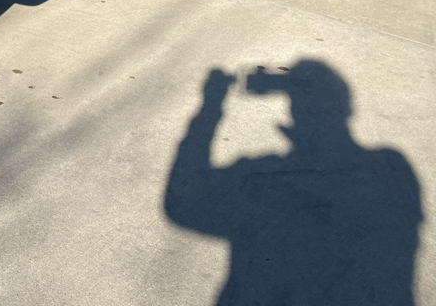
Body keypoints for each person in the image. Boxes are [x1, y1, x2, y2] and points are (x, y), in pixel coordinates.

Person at [164, 61, 422, 305]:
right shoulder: (392, 170)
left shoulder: (263, 180)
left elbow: (183, 203)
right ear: (347, 109)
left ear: (293, 117)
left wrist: (211, 105)